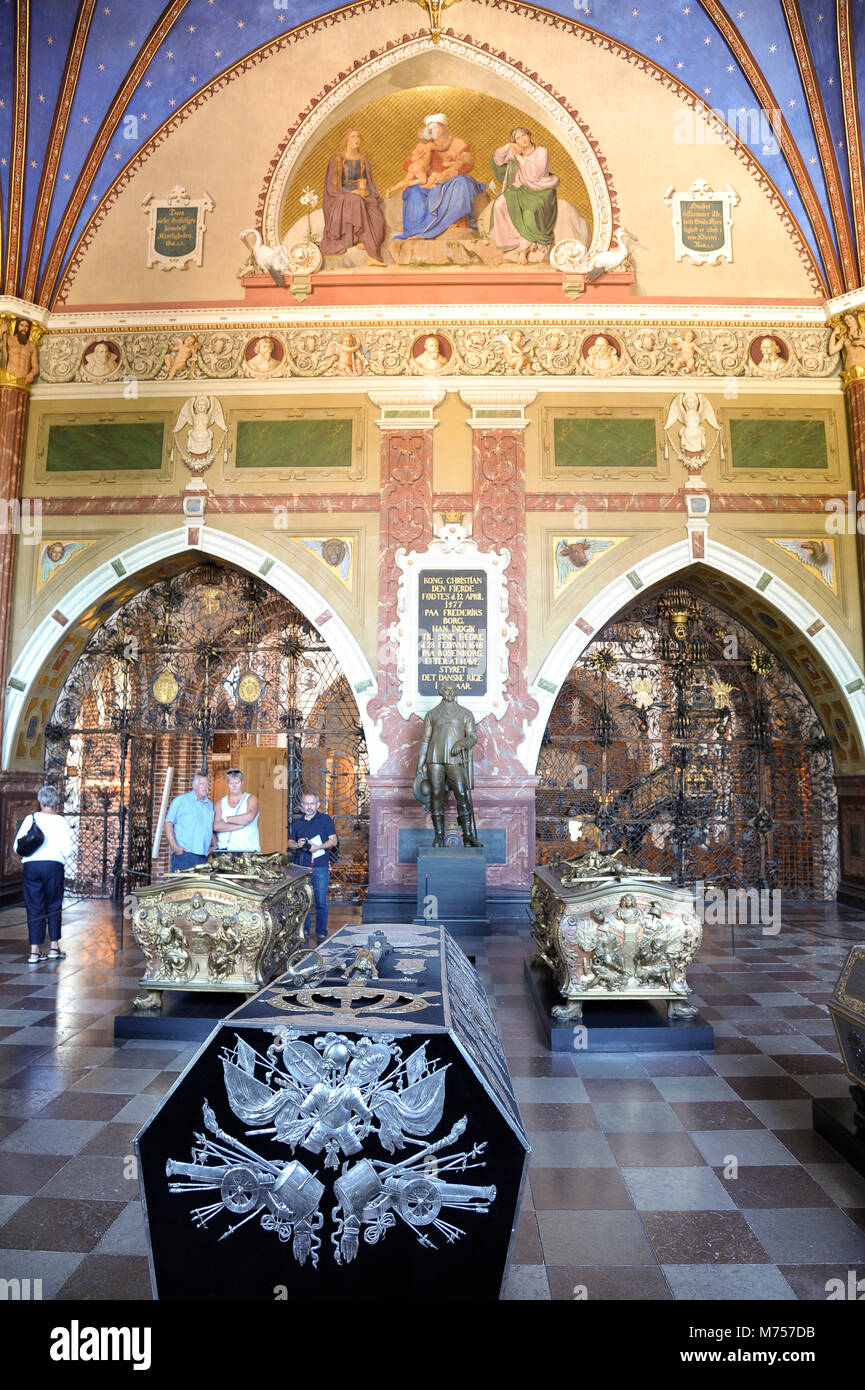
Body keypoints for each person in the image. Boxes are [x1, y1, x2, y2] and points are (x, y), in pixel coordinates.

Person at [389, 114, 485, 242]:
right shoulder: (427, 145)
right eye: (429, 129)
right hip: (431, 181)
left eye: (435, 127)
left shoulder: (458, 143)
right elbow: (407, 165)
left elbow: (468, 163)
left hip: (453, 179)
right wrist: (419, 161)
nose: (432, 131)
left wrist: (450, 171)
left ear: (445, 127)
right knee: (413, 191)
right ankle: (418, 231)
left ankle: (454, 221)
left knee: (461, 183)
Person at [413, 682, 481, 847]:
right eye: (447, 690)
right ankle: (438, 836)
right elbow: (425, 739)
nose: (450, 692)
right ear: (440, 691)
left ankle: (468, 835)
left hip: (456, 760)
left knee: (462, 795)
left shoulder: (465, 714)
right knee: (436, 796)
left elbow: (473, 737)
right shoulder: (432, 714)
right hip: (434, 759)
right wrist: (420, 763)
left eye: (453, 690)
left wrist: (462, 743)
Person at [17, 784, 72, 965]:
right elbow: (68, 850)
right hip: (53, 867)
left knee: (34, 907)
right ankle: (54, 947)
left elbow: (17, 847)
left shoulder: (30, 819)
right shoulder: (62, 822)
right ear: (56, 802)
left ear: (39, 801)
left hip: (32, 867)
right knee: (54, 905)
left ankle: (34, 951)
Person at [490, 127, 559, 264]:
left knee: (529, 212)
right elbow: (497, 159)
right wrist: (508, 146)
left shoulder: (541, 152)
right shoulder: (514, 150)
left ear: (529, 135)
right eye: (518, 138)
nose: (523, 140)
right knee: (498, 204)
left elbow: (534, 174)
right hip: (520, 189)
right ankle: (513, 240)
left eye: (524, 136)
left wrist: (518, 156)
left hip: (540, 190)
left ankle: (524, 250)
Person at [320, 129, 387, 266]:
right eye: (353, 137)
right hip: (342, 196)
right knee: (356, 201)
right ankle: (371, 254)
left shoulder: (363, 159)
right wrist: (352, 193)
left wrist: (366, 192)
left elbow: (369, 181)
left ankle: (365, 243)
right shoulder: (337, 160)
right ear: (347, 140)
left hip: (361, 193)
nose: (357, 139)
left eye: (358, 137)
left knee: (376, 214)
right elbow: (332, 187)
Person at [288, 792, 337, 941]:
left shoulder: (325, 820)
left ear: (317, 805)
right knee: (305, 902)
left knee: (321, 901)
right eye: (306, 804)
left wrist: (318, 847)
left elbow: (333, 840)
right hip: (302, 867)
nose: (309, 806)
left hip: (320, 866)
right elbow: (289, 842)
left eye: (312, 803)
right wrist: (297, 845)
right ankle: (306, 931)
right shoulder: (297, 823)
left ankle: (321, 932)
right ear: (302, 805)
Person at [165, 772, 215, 870]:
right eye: (202, 783)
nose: (205, 786)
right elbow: (168, 823)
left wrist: (214, 846)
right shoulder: (181, 801)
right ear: (194, 786)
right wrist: (175, 847)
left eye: (207, 784)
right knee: (181, 885)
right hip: (184, 855)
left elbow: (210, 828)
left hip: (203, 857)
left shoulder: (210, 805)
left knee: (199, 886)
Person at [214, 768, 261, 853]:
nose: (234, 786)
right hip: (224, 852)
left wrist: (226, 819)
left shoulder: (251, 799)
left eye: (237, 783)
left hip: (248, 851)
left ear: (242, 783)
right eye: (231, 783)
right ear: (227, 784)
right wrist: (240, 825)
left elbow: (249, 817)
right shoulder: (220, 803)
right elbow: (216, 826)